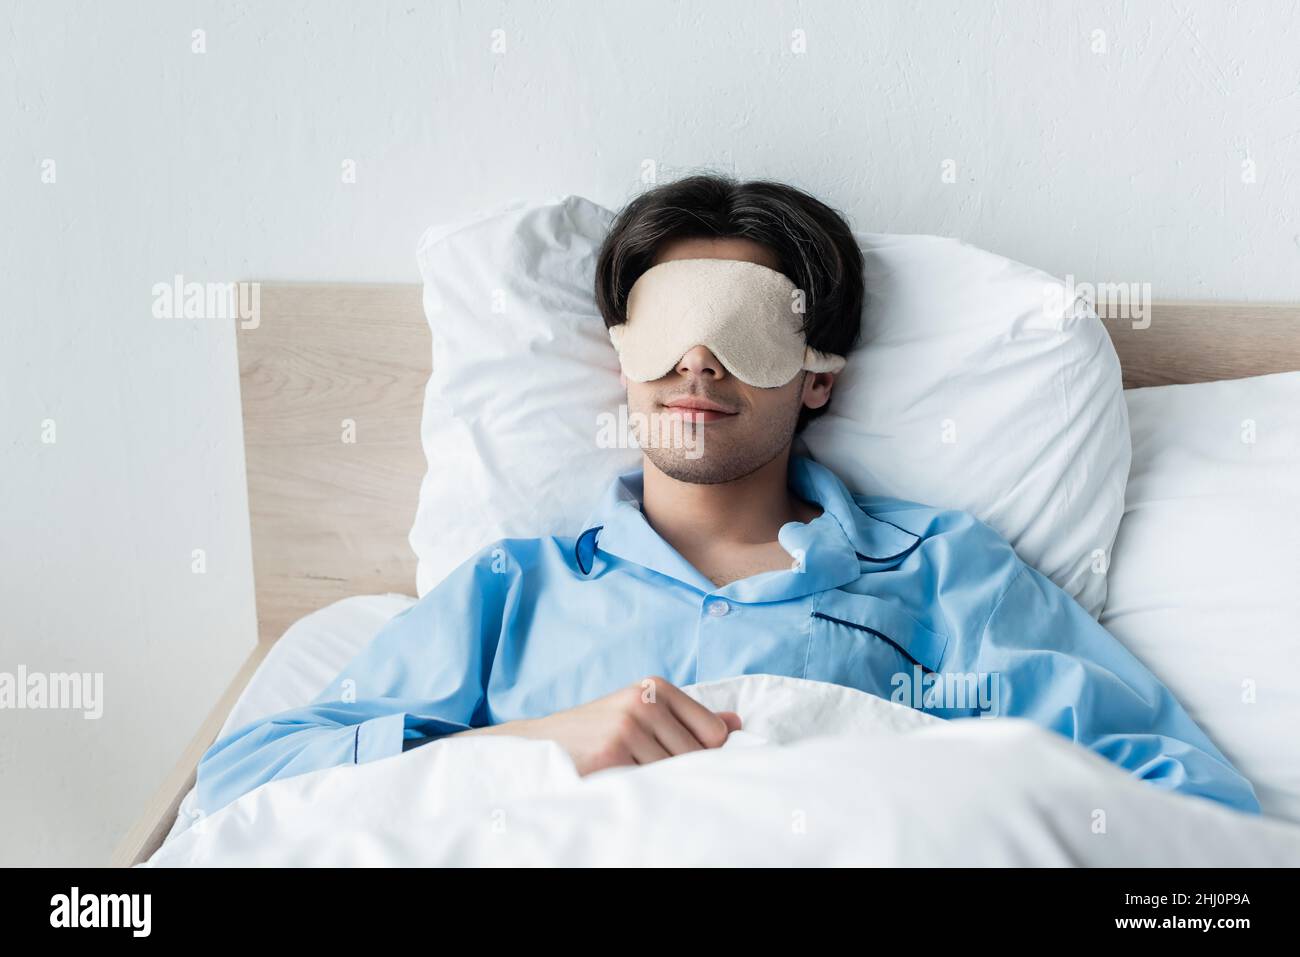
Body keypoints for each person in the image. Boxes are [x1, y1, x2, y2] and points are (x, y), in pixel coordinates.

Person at [196, 174, 1260, 819]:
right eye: (665, 329)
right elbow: (247, 787)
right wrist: (538, 742)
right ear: (621, 363)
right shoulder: (513, 592)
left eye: (744, 329)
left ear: (816, 376)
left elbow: (1183, 808)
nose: (696, 363)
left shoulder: (945, 576)